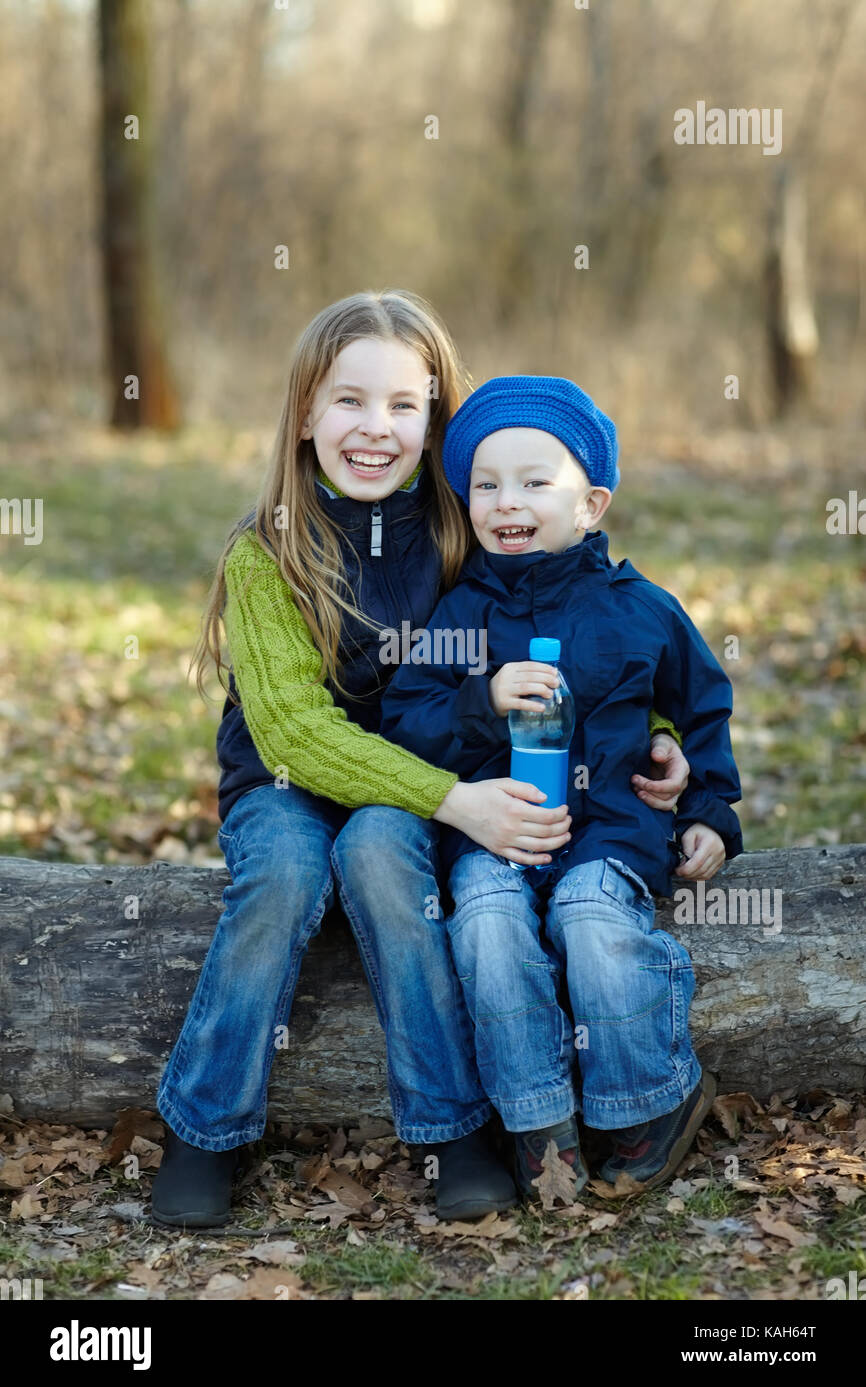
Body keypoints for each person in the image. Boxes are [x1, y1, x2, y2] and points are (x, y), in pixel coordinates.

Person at [151, 296, 690, 1229]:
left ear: (438, 420)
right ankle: (205, 1129)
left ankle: (449, 1128)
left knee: (379, 855)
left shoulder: (464, 525)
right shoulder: (267, 551)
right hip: (292, 789)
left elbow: (587, 630)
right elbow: (295, 738)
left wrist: (660, 734)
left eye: (405, 405)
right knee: (282, 869)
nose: (374, 429)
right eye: (348, 402)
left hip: (420, 785)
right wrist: (458, 802)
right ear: (305, 414)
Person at [379, 375, 743, 1199]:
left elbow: (704, 706)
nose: (507, 500)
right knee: (488, 924)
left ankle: (649, 1099)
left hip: (610, 832)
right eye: (485, 483)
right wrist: (481, 698)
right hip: (492, 833)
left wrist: (711, 809)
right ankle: (537, 1122)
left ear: (592, 504)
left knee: (590, 916)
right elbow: (405, 719)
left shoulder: (639, 609)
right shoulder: (458, 613)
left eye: (536, 482)